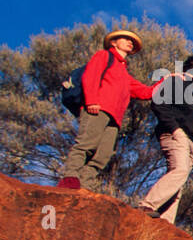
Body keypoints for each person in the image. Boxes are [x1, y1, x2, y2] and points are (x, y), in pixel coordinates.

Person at [56, 29, 166, 191]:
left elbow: (145, 92)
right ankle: (70, 178)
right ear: (114, 42)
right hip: (97, 108)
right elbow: (90, 77)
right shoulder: (103, 56)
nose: (130, 42)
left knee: (104, 153)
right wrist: (92, 101)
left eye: (133, 42)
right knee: (86, 144)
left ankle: (85, 183)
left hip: (115, 118)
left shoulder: (124, 73)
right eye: (126, 39)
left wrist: (166, 81)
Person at [138, 54, 193, 223]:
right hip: (177, 134)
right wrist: (175, 128)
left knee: (179, 181)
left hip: (192, 141)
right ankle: (147, 205)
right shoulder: (177, 81)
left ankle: (165, 222)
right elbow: (159, 103)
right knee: (179, 171)